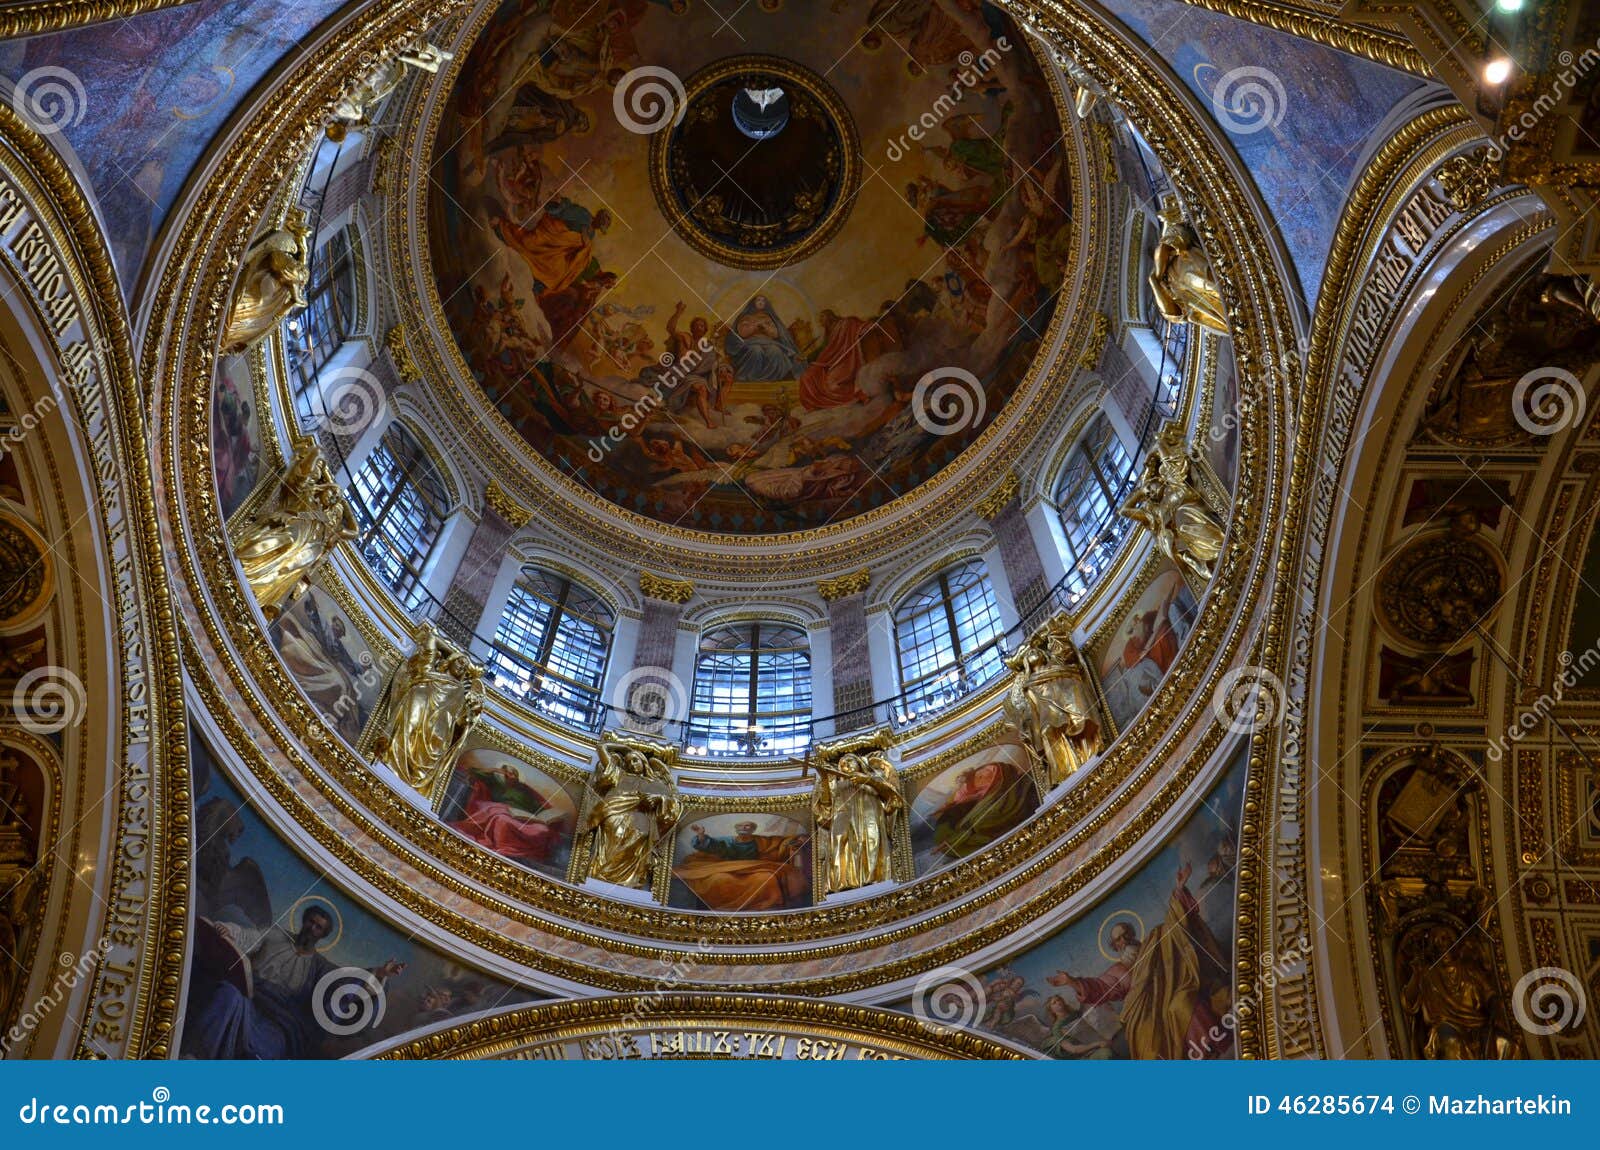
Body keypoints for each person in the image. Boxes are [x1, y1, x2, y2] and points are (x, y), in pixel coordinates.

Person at [1045, 863, 1231, 1059]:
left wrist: (1178, 889)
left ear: (1133, 934)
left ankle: (1213, 1049)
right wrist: (1071, 981)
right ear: (1115, 947)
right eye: (1119, 939)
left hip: (1174, 992)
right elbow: (1099, 987)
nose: (1124, 940)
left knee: (1184, 1003)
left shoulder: (1155, 941)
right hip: (1145, 1013)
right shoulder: (1117, 970)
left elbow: (1174, 923)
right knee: (1150, 1034)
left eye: (1126, 935)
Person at [183, 906, 405, 1059]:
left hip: (279, 1021)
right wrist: (228, 930)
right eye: (310, 922)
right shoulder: (276, 935)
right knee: (227, 994)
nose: (312, 928)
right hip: (248, 997)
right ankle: (195, 1056)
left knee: (270, 1046)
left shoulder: (319, 966)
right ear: (303, 921)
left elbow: (341, 985)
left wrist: (378, 974)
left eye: (318, 927)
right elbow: (246, 937)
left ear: (322, 935)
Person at [672, 820, 810, 911]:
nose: (744, 828)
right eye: (741, 826)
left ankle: (768, 906)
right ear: (736, 829)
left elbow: (780, 843)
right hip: (729, 867)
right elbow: (712, 845)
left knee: (767, 878)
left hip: (756, 867)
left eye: (747, 826)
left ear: (752, 829)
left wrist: (797, 839)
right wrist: (702, 835)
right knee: (718, 879)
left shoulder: (760, 841)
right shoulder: (728, 841)